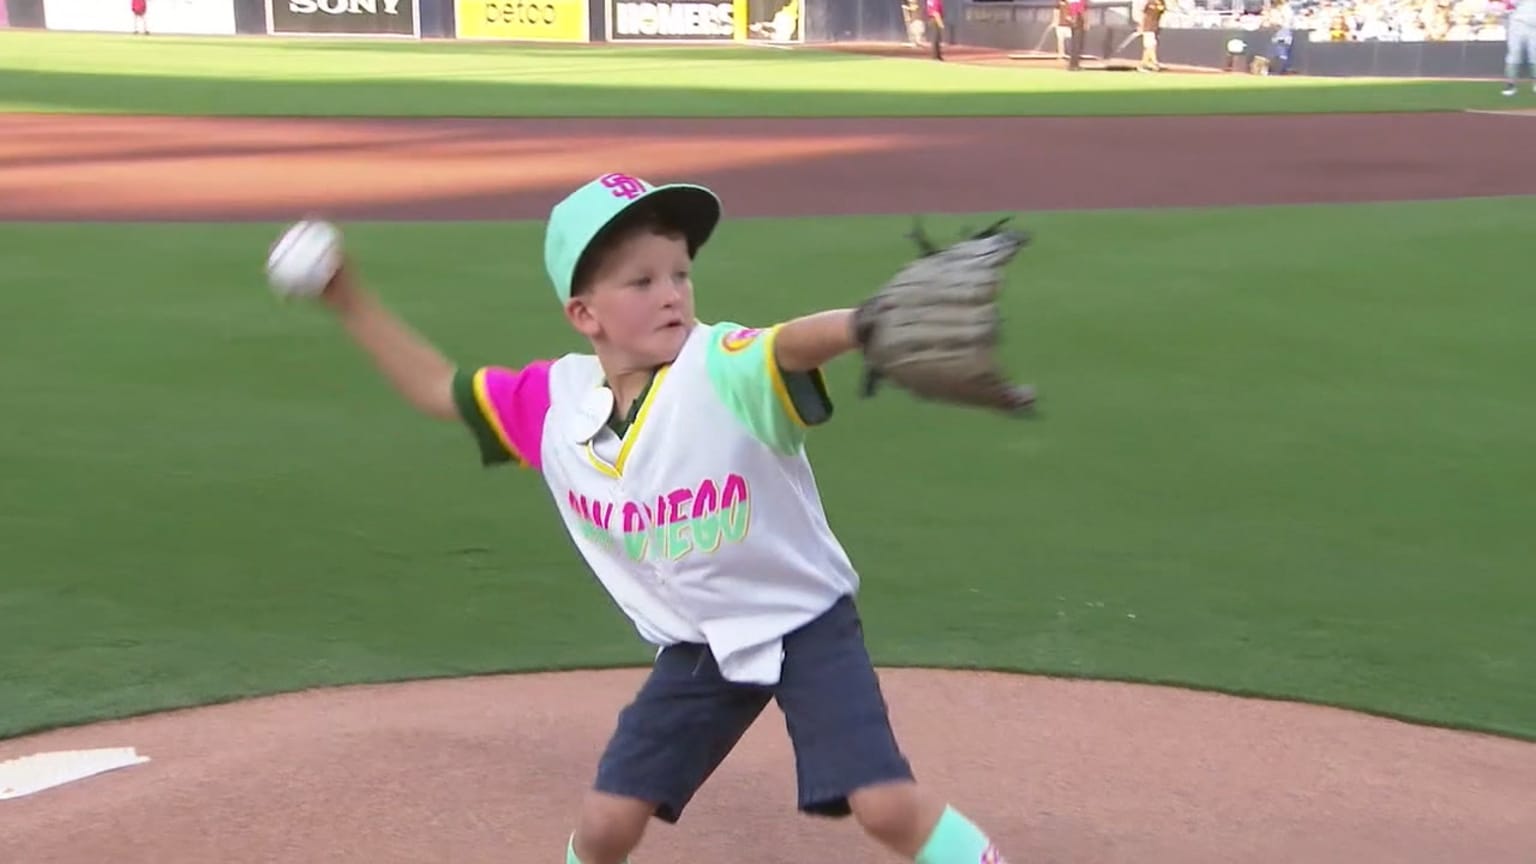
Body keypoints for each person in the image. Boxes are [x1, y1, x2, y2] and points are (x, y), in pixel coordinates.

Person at [263, 173, 1013, 864]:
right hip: (696, 646)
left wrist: (864, 324)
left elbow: (784, 345)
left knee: (883, 806)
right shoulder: (551, 406)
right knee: (604, 826)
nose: (672, 295)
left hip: (804, 619)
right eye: (642, 280)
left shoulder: (719, 366)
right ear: (584, 314)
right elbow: (437, 389)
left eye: (681, 274)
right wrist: (348, 298)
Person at [1503, 0, 1536, 95]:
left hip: (1534, 27)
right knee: (1515, 54)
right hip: (1517, 24)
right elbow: (1508, 6)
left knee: (1535, 54)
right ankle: (1510, 84)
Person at [1140, 0, 1166, 70]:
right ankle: (1154, 62)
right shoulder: (1149, 2)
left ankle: (1143, 65)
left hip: (1154, 28)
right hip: (1148, 28)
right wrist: (1141, 26)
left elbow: (1162, 10)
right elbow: (1144, 14)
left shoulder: (1162, 3)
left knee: (1149, 46)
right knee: (1151, 45)